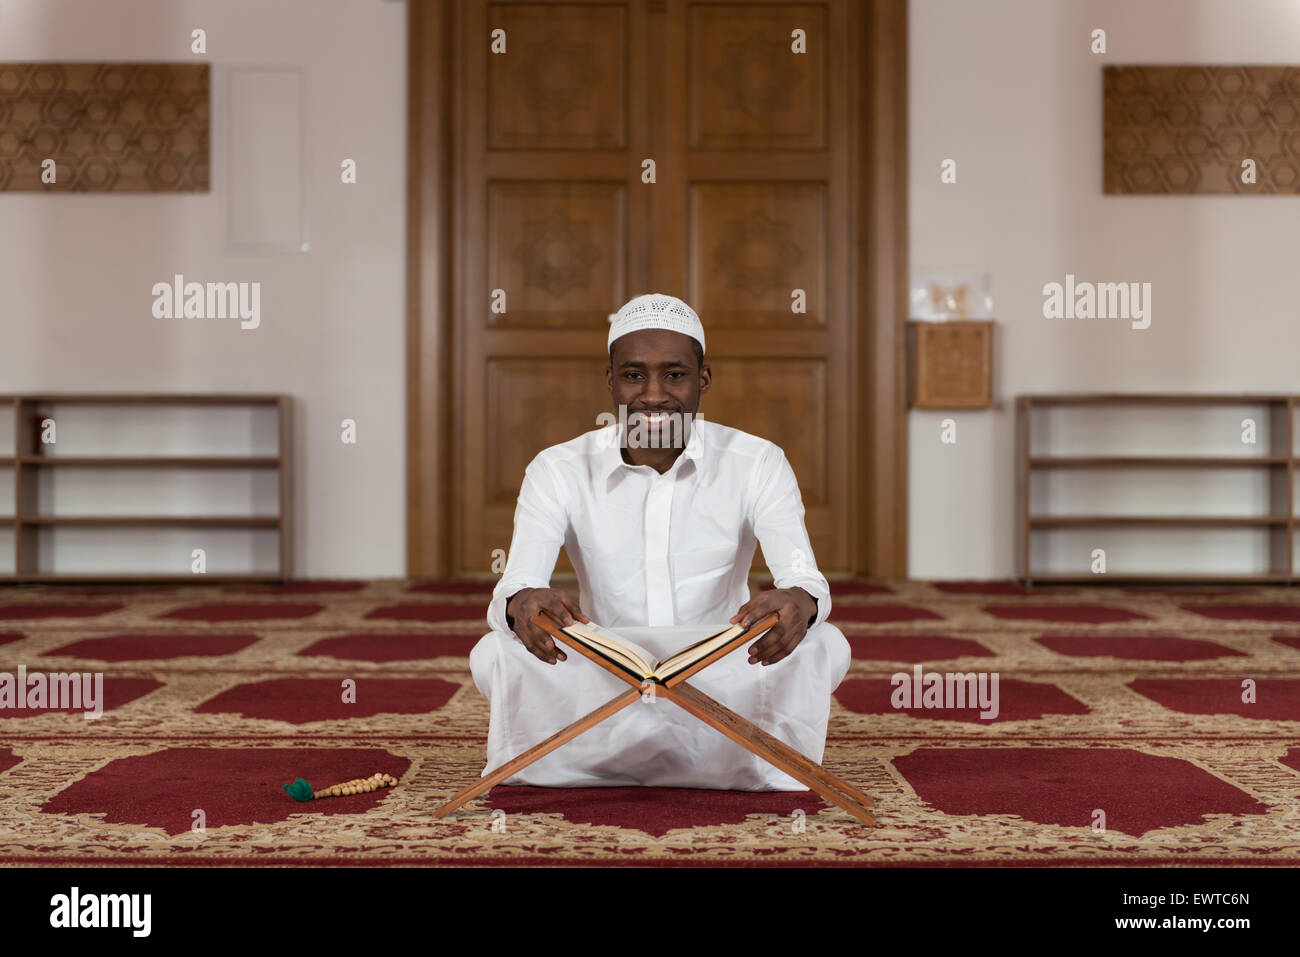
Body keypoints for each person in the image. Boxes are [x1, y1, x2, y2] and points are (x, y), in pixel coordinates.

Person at [468, 293, 851, 789]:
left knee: (827, 644)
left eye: (674, 375)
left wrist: (798, 600)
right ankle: (721, 755)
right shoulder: (557, 468)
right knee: (492, 654)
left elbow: (802, 577)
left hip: (722, 664)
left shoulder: (757, 461)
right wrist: (524, 600)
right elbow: (518, 581)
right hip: (603, 666)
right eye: (633, 375)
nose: (652, 394)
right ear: (611, 381)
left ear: (702, 379)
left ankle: (594, 757)